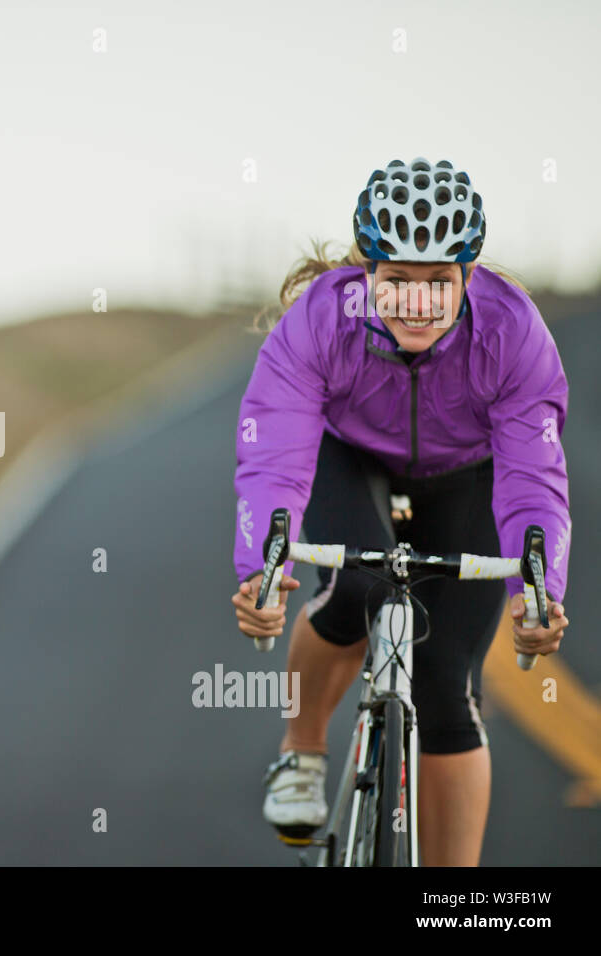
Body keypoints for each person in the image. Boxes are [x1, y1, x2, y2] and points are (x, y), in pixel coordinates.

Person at [230, 158, 570, 866]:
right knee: (359, 586)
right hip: (345, 453)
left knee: (447, 685)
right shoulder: (322, 318)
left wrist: (538, 591)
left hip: (465, 472)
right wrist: (260, 572)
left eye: (439, 283)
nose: (418, 303)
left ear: (468, 278)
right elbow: (274, 460)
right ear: (366, 274)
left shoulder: (513, 331)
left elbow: (533, 480)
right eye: (398, 283)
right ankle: (301, 753)